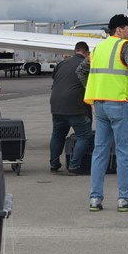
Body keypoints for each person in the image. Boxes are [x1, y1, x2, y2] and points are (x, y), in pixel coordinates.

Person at [76, 14, 128, 212]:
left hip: (101, 105)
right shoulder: (125, 46)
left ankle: (95, 199)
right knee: (123, 152)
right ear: (119, 30)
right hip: (120, 104)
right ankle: (124, 199)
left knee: (100, 152)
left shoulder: (98, 48)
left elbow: (80, 71)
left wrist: (93, 90)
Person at [48, 42, 93, 175]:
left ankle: (54, 164)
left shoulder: (62, 63)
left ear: (75, 51)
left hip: (56, 105)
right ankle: (74, 166)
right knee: (84, 136)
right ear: (86, 53)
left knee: (57, 135)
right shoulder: (87, 64)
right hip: (75, 106)